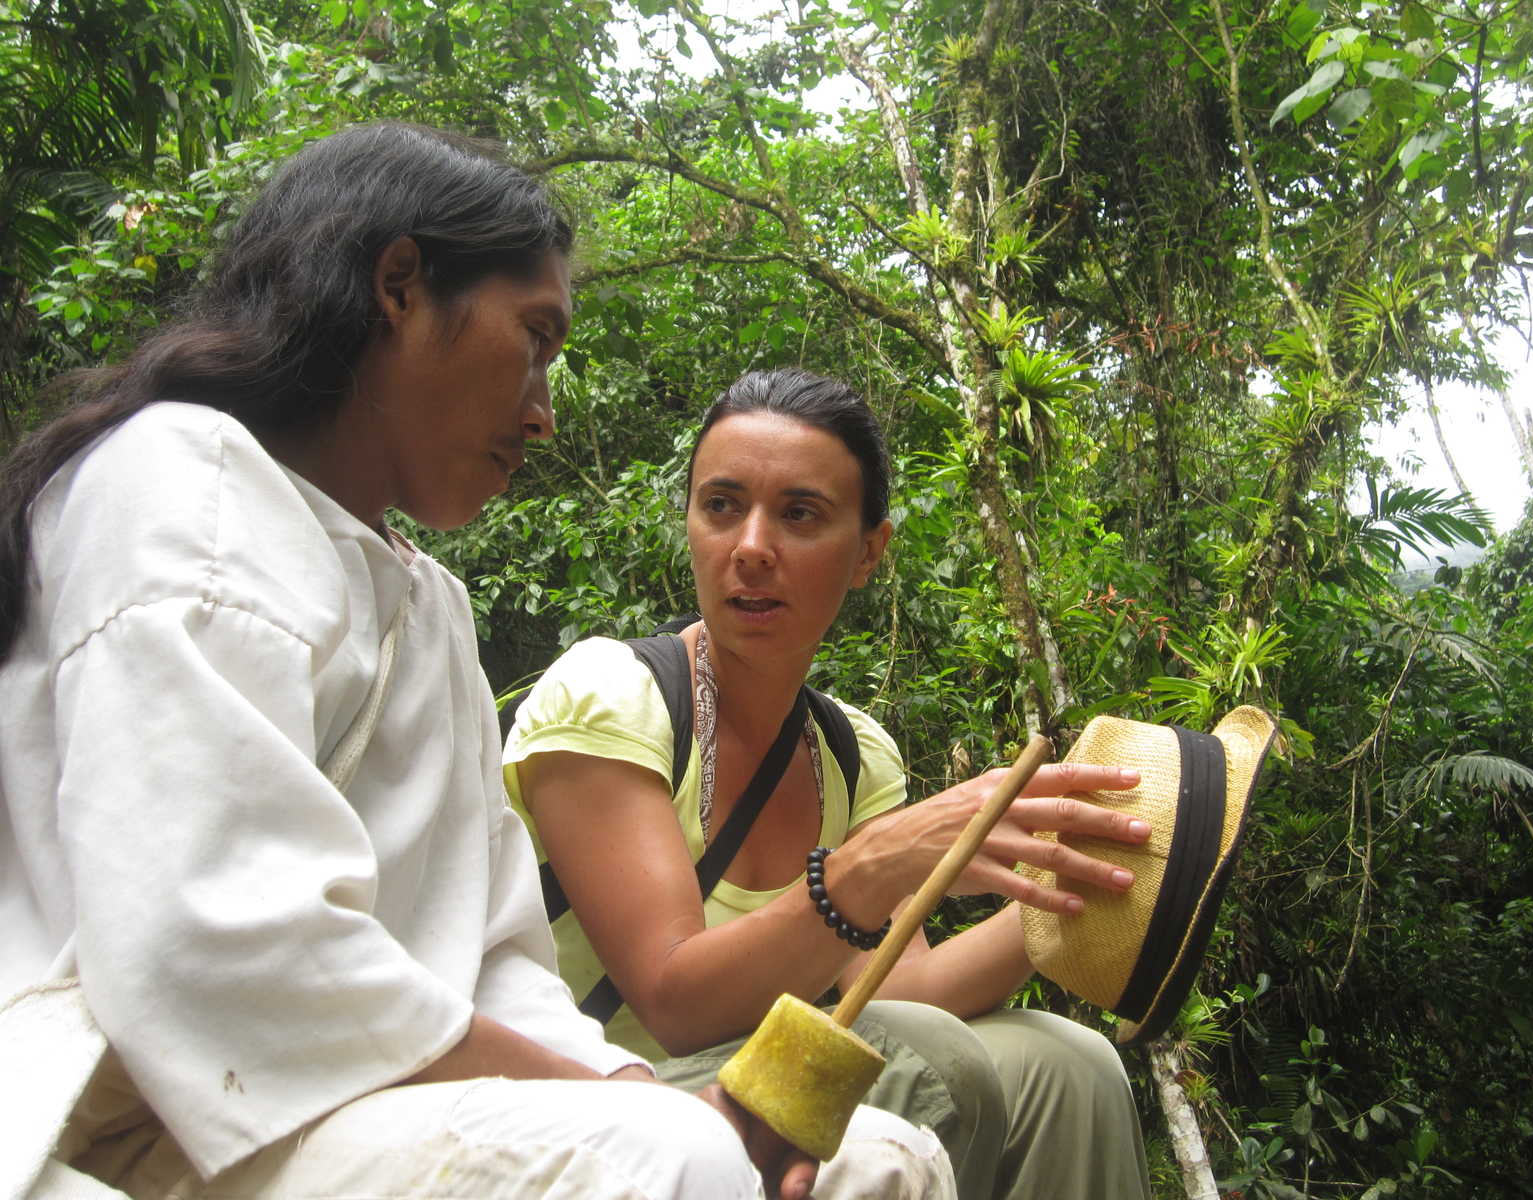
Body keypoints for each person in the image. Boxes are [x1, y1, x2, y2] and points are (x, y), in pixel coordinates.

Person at [0, 125, 955, 1200]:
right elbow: (216, 949)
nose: (541, 414)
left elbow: (495, 957)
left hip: (368, 1105)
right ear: (399, 286)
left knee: (882, 1158)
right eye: (534, 339)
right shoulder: (182, 485)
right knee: (679, 1157)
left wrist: (626, 1084)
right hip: (133, 1118)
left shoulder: (429, 604)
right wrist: (651, 1114)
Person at [504, 367, 1155, 1200]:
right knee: (935, 1061)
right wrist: (877, 863)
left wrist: (1075, 893)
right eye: (722, 505)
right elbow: (673, 1000)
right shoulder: (613, 694)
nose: (751, 546)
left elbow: (907, 990)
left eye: (800, 514)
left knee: (1069, 1064)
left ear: (868, 553)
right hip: (593, 1104)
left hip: (752, 1090)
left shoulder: (851, 754)